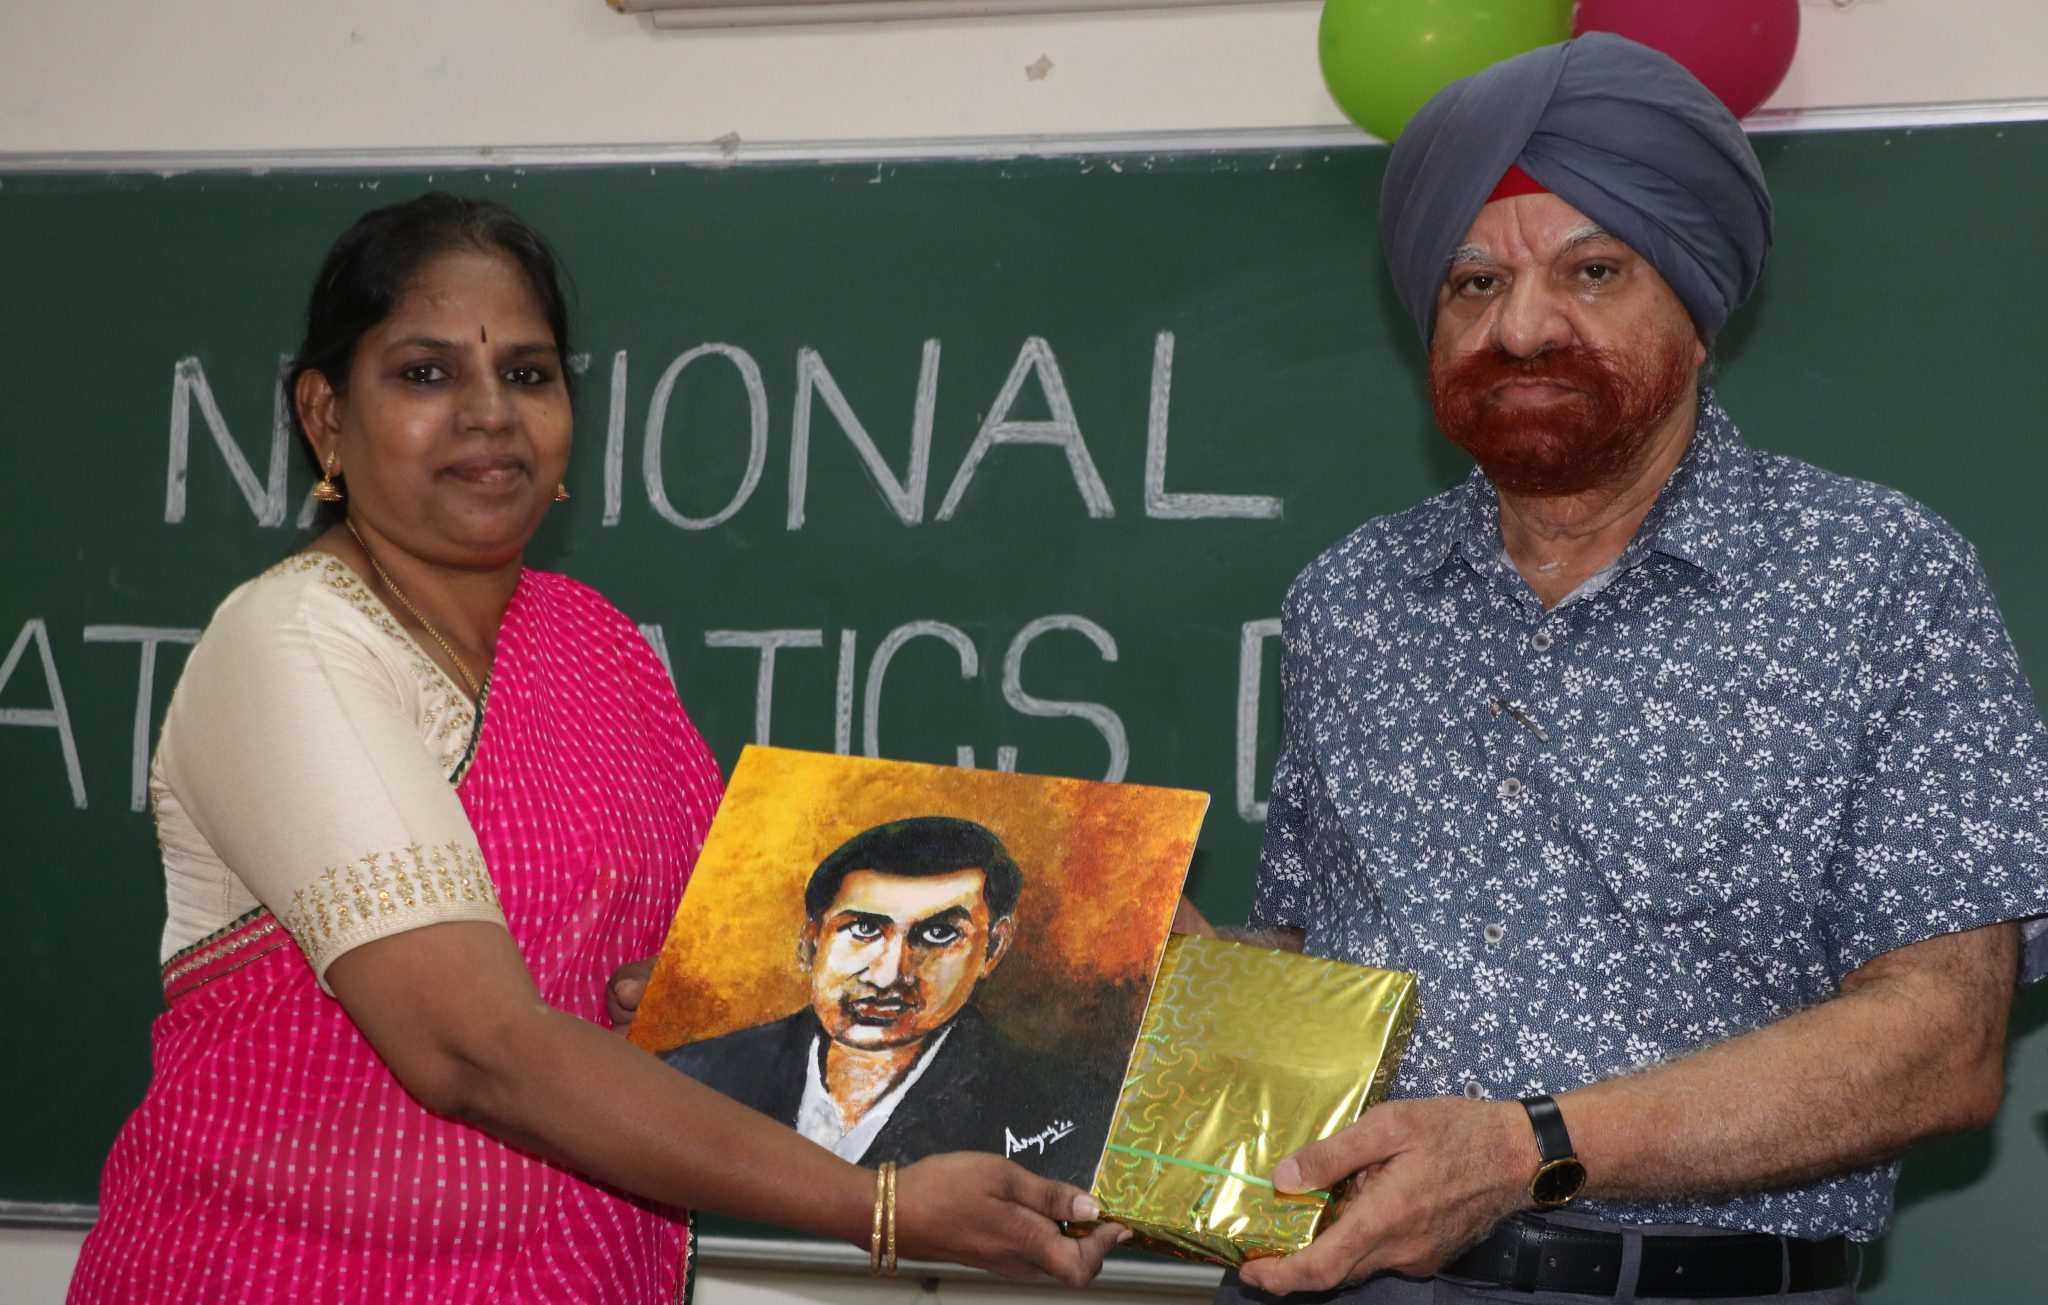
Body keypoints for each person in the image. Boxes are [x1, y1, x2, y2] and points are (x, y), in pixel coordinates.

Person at [68, 193, 1121, 1305]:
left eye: (527, 374)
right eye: (425, 374)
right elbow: (471, 1048)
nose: (489, 414)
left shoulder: (595, 643)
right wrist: (882, 1208)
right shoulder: (291, 643)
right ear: (326, 414)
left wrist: (1114, 929)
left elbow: (748, 936)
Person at [1197, 33, 2048, 1305]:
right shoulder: (1349, 599)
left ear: (1697, 318)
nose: (1520, 325)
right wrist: (1136, 991)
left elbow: (1941, 1043)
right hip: (1329, 1277)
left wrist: (1523, 1152)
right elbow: (1310, 967)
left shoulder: (1877, 579)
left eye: (1590, 271)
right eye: (1472, 283)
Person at [661, 817, 1111, 1185]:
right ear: (811, 941)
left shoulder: (1065, 1111)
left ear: (992, 948)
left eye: (939, 934)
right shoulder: (693, 1077)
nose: (889, 975)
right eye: (863, 929)